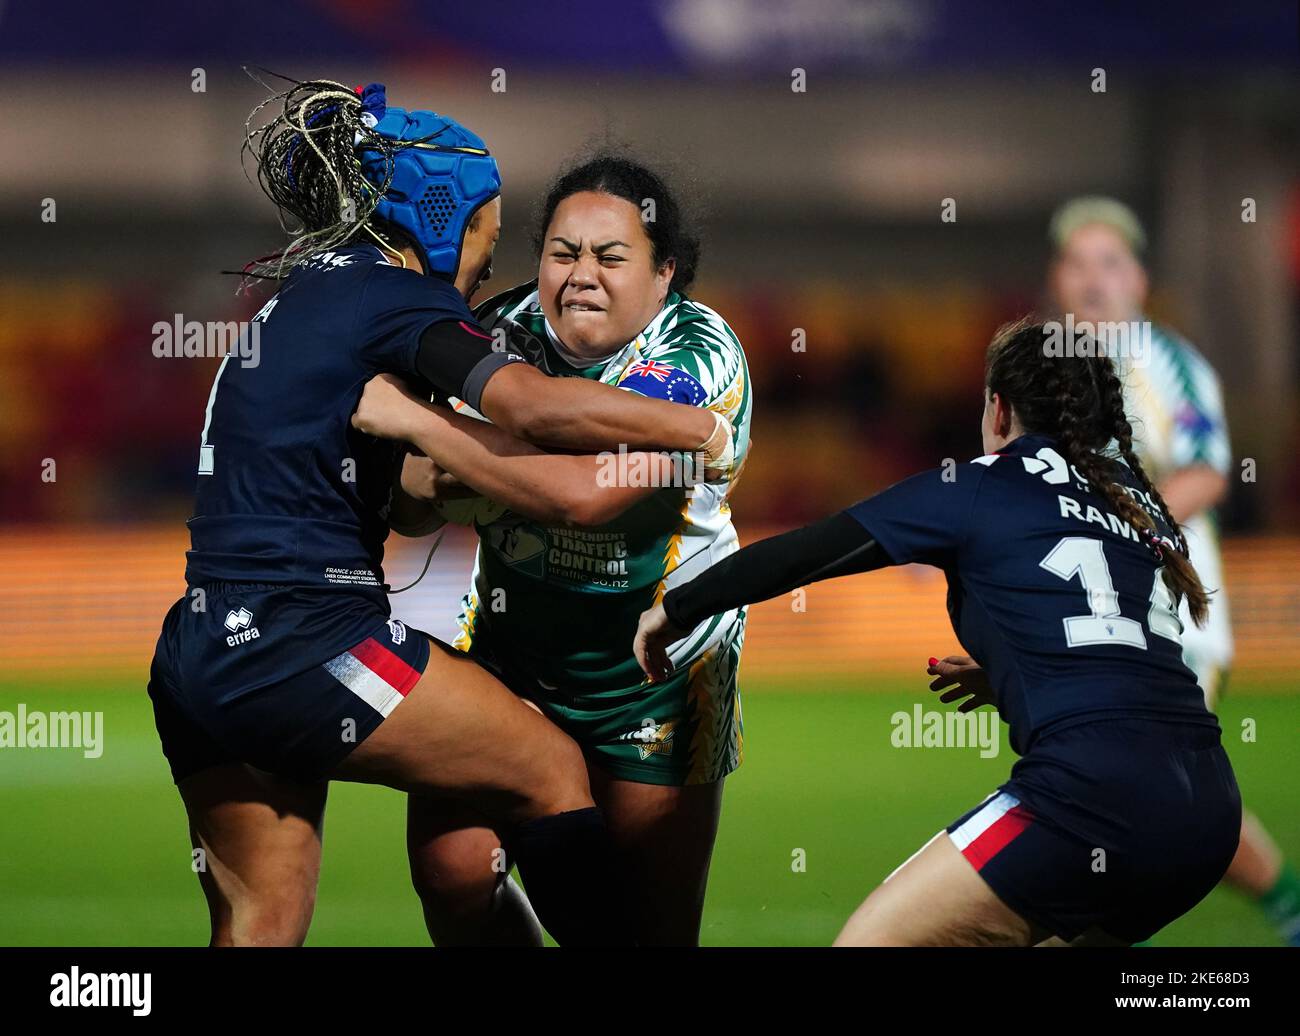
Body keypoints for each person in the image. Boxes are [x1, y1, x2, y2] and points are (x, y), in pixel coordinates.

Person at [146, 79, 734, 946]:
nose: (482, 273)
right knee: (545, 766)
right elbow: (533, 418)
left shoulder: (307, 295)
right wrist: (693, 427)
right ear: (439, 217)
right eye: (485, 243)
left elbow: (410, 497)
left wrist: (441, 461)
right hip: (304, 640)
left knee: (261, 923)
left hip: (197, 652)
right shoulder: (399, 297)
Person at [634, 319, 1241, 946]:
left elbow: (808, 553)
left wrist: (678, 608)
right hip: (1208, 810)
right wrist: (1015, 673)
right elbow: (1120, 646)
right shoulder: (1135, 504)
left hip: (1090, 797)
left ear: (999, 408)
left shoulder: (981, 486)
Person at [381, 155, 753, 945]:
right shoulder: (491, 331)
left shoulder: (702, 357)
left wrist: (448, 444)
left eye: (611, 257)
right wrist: (453, 468)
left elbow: (590, 497)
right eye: (562, 252)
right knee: (452, 870)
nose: (582, 273)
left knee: (642, 934)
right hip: (509, 660)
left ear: (664, 277)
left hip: (655, 687)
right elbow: (409, 509)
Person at [1049, 195, 1299, 946]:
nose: (1094, 280)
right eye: (1078, 263)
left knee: (1136, 794)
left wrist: (1119, 529)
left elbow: (1207, 474)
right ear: (1057, 279)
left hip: (1174, 621)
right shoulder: (1040, 372)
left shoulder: (1170, 365)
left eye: (1110, 263)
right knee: (1157, 802)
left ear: (1139, 280)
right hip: (1086, 624)